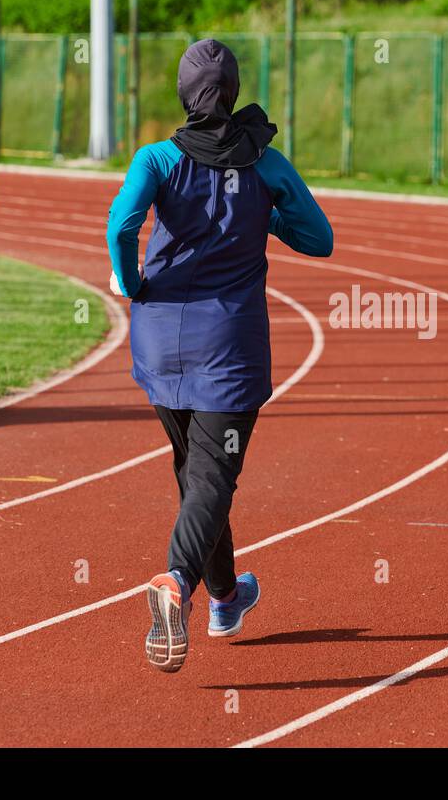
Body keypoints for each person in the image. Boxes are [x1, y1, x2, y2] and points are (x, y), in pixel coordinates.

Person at [105, 38, 333, 673]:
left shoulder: (155, 158)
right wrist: (266, 216)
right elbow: (320, 239)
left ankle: (227, 600)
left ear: (184, 94)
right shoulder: (266, 163)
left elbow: (122, 225)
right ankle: (177, 581)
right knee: (211, 479)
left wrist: (130, 282)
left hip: (158, 342)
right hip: (228, 352)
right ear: (233, 93)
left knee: (195, 479)